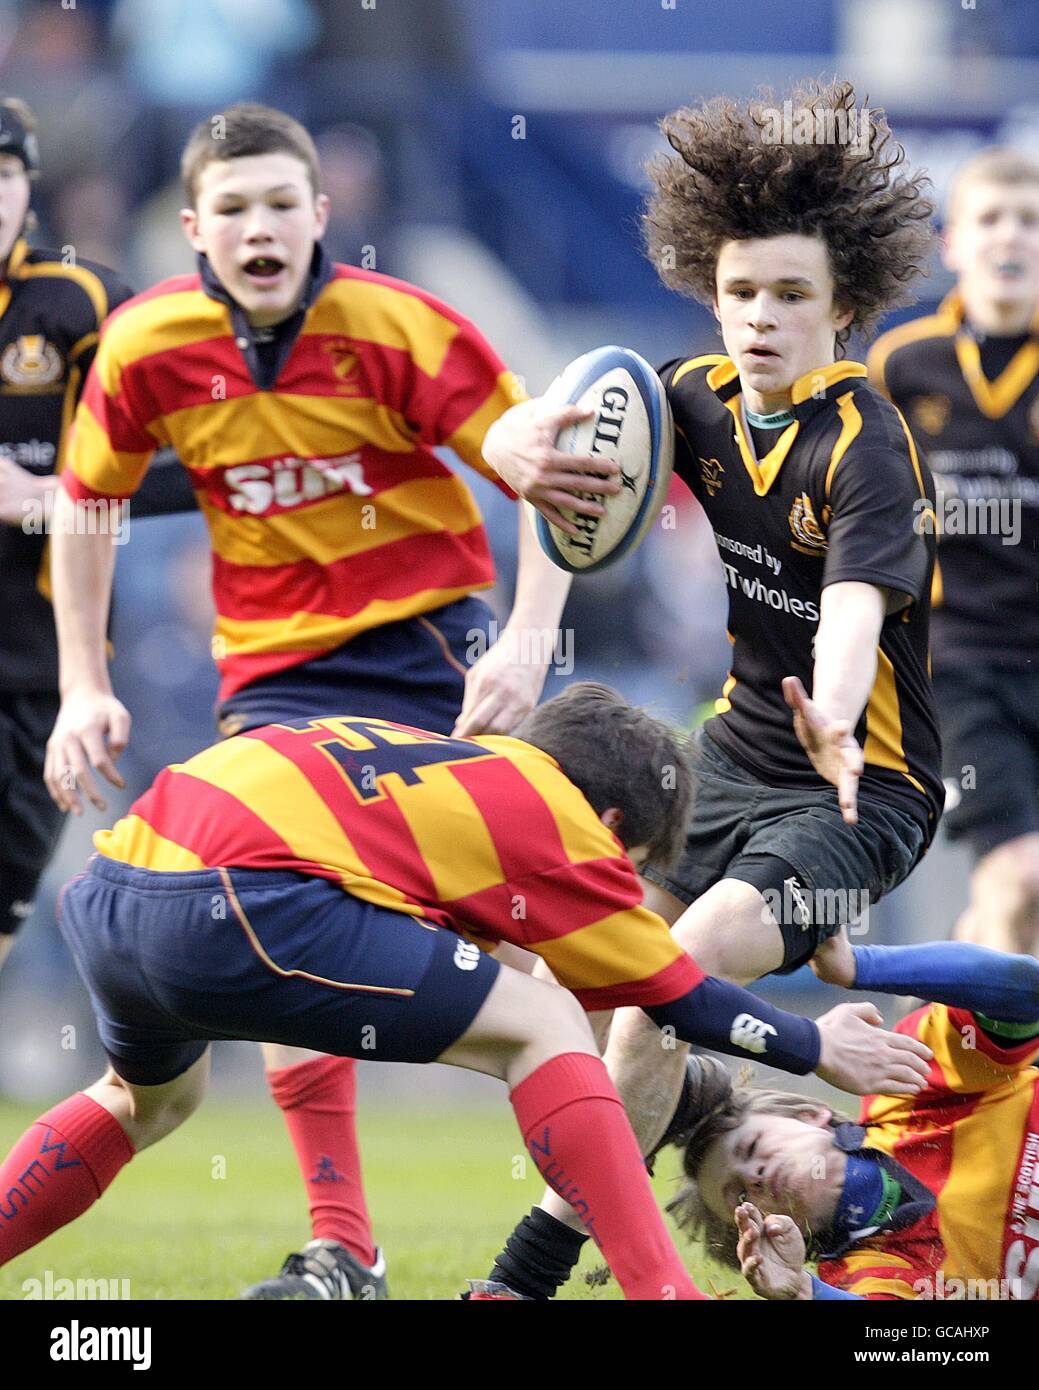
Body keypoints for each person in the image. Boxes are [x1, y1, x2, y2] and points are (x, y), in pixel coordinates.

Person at [42, 103, 576, 1300]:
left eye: (282, 203)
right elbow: (85, 505)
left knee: (560, 951)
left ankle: (688, 1147)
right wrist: (85, 683)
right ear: (192, 228)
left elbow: (547, 469)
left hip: (436, 657)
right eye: (232, 208)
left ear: (322, 214)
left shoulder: (403, 327)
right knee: (286, 915)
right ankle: (345, 1248)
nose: (260, 226)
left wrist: (533, 637)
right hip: (275, 682)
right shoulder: (144, 346)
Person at [470, 78, 946, 1300]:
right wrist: (527, 617)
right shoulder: (687, 396)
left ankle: (528, 1275)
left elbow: (851, 610)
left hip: (859, 792)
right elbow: (565, 475)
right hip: (727, 752)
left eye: (791, 296)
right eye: (740, 293)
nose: (760, 319)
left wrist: (834, 710)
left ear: (843, 303)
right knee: (558, 959)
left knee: (658, 981)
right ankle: (690, 1100)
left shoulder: (866, 446)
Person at [0, 684, 933, 1301]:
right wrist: (815, 1048)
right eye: (632, 867)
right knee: (542, 1023)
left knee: (147, 1100)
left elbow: (493, 955)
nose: (617, 887)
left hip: (114, 895)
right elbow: (678, 996)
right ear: (612, 822)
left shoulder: (440, 772)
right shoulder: (563, 821)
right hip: (234, 906)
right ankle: (666, 1294)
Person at [0, 96, 194, 972]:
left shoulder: (83, 305)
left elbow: (202, 462)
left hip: (37, 683)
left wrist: (53, 497)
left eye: (5, 174)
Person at [669, 924, 1039, 1300]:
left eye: (751, 1148)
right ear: (755, 1231)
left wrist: (857, 966)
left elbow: (1027, 991)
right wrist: (804, 1291)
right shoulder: (865, 1277)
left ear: (809, 1115)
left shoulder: (906, 1089)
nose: (754, 1177)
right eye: (741, 1199)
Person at [869, 148, 1039, 959]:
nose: (1010, 237)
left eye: (1029, 221)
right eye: (990, 219)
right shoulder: (902, 366)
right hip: (960, 663)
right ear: (952, 243)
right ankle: (988, 1071)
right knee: (1018, 876)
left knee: (1013, 905)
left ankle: (969, 1015)